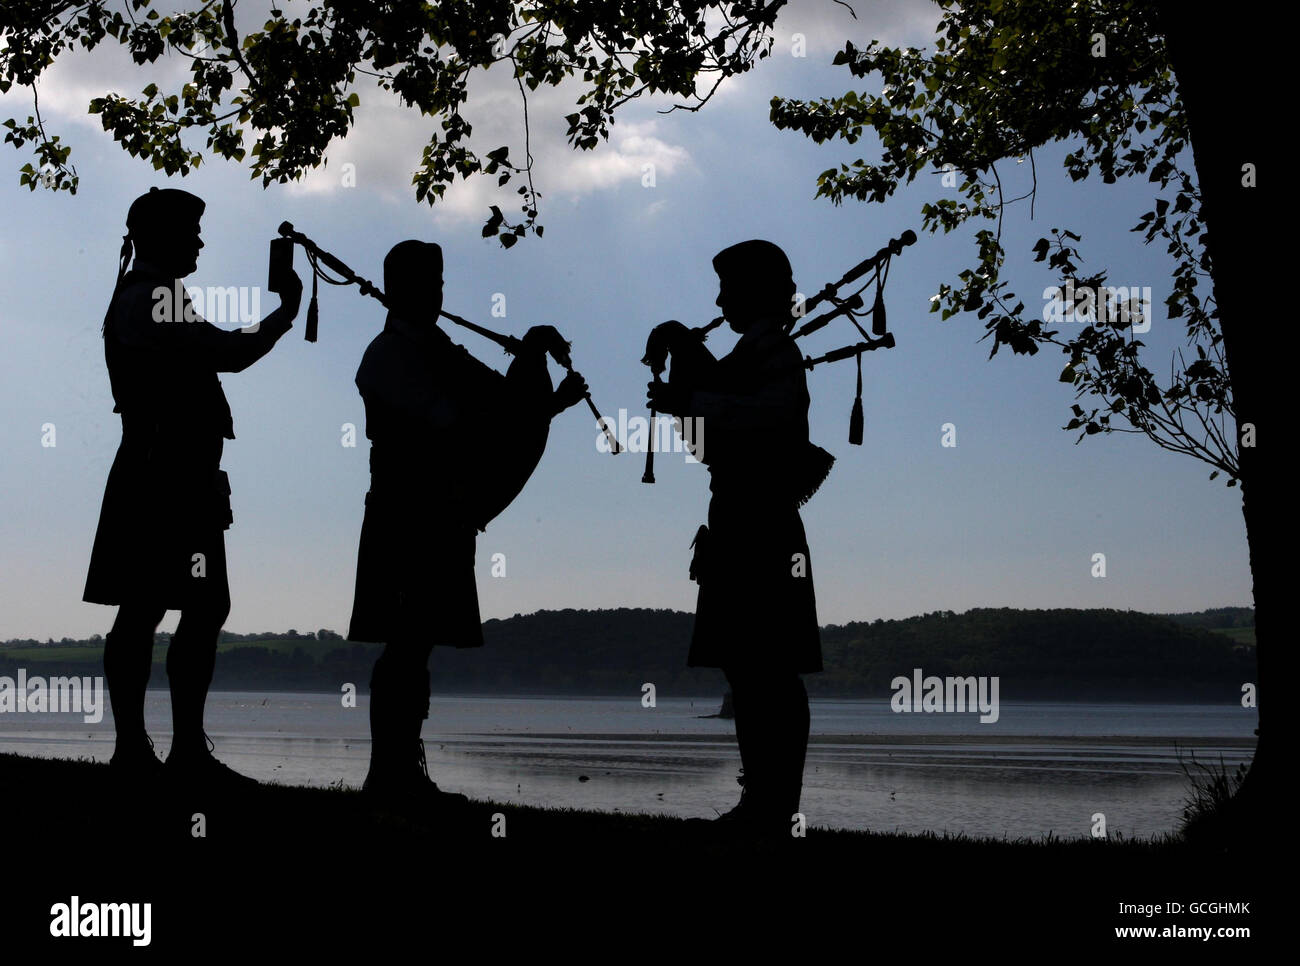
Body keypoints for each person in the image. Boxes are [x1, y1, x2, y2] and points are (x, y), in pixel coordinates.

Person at [348, 240, 588, 805]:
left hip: (441, 514)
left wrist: (541, 382)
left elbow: (501, 405)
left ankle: (403, 772)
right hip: (406, 515)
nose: (436, 294)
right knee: (406, 643)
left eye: (438, 284)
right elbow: (462, 420)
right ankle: (389, 774)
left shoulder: (437, 349)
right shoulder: (387, 356)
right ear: (397, 289)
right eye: (425, 285)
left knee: (418, 644)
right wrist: (535, 379)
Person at [84, 187, 302, 788]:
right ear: (160, 236)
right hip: (166, 477)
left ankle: (158, 751)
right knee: (163, 607)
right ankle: (156, 751)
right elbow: (230, 353)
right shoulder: (152, 298)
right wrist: (285, 312)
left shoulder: (153, 296)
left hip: (171, 474)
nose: (200, 241)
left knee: (164, 606)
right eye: (191, 230)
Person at [647, 240, 824, 834]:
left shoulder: (779, 353)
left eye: (728, 289)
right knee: (747, 669)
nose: (719, 301)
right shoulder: (750, 355)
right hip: (738, 520)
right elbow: (708, 447)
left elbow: (770, 418)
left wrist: (689, 396)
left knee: (768, 666)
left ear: (755, 292)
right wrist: (685, 388)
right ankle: (763, 801)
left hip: (762, 524)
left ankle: (775, 805)